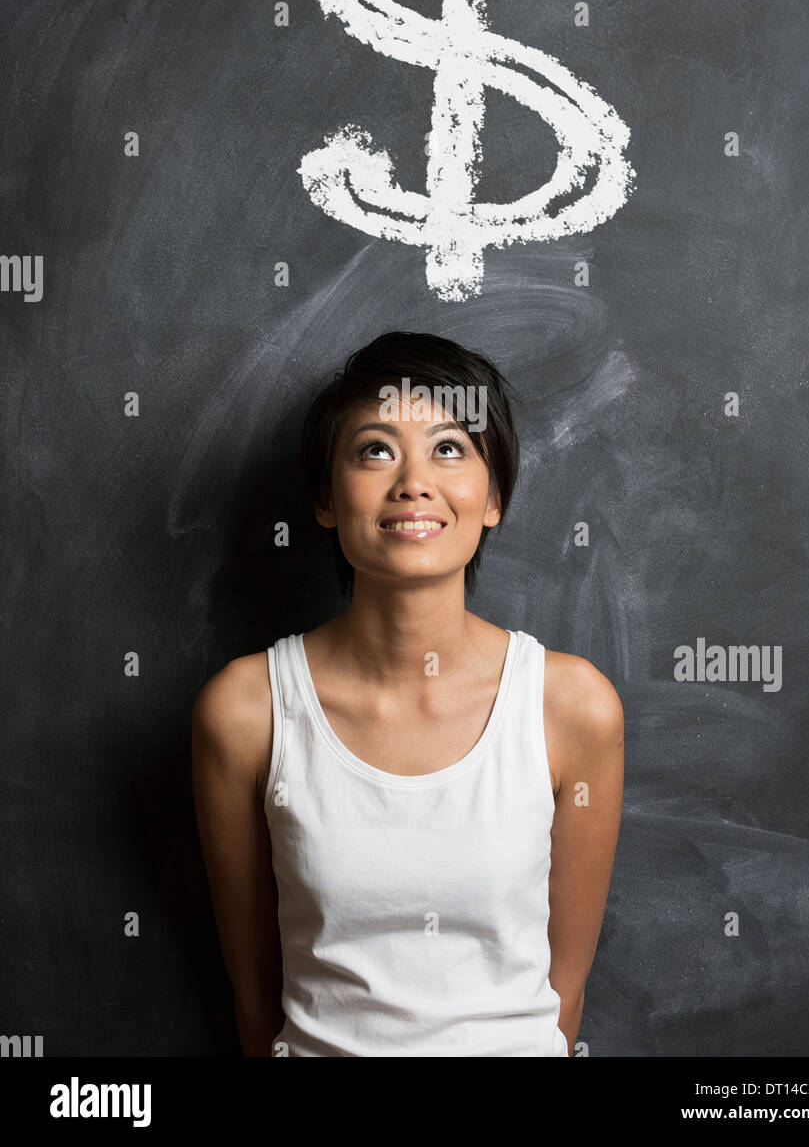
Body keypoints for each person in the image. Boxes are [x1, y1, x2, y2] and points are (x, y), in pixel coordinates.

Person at [192, 330, 623, 1057]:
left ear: (494, 498)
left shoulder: (571, 707)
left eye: (450, 448)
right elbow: (255, 995)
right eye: (376, 450)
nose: (413, 481)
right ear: (327, 501)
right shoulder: (245, 711)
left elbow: (564, 991)